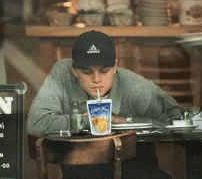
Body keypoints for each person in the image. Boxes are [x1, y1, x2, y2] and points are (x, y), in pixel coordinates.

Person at [27, 30, 182, 179]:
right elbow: (36, 123)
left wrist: (125, 121)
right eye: (87, 72)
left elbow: (176, 120)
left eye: (104, 71)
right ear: (74, 70)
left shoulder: (135, 87)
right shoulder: (63, 75)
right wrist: (91, 121)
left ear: (115, 67)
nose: (96, 79)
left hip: (138, 173)